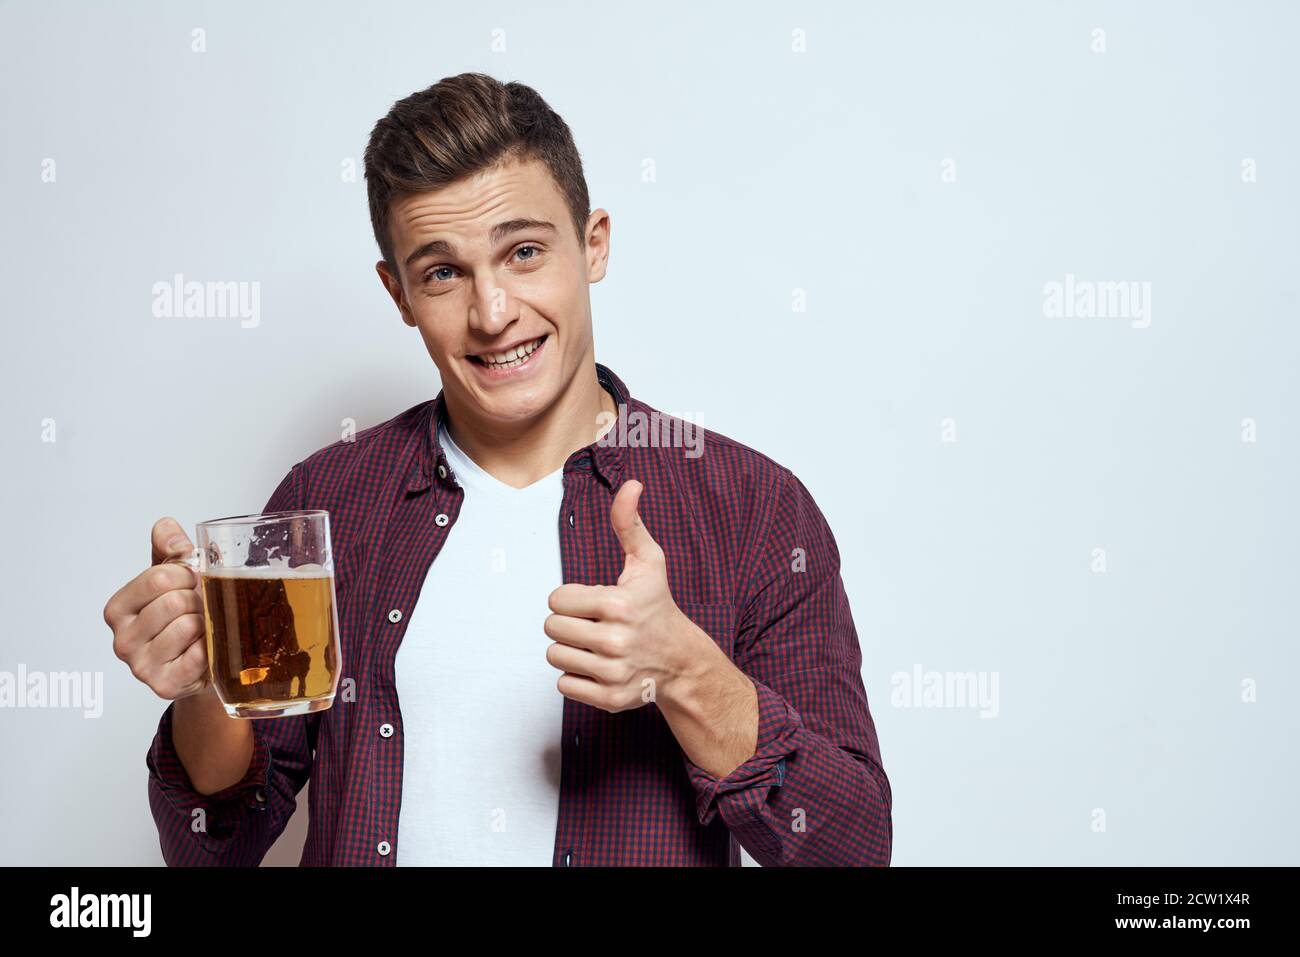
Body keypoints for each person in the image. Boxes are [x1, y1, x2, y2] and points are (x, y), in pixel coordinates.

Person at [102, 72, 892, 866]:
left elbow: (850, 848)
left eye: (523, 252)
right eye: (443, 271)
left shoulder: (752, 507)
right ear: (400, 292)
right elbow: (217, 844)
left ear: (594, 244)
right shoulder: (328, 500)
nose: (492, 312)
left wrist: (689, 675)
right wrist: (206, 688)